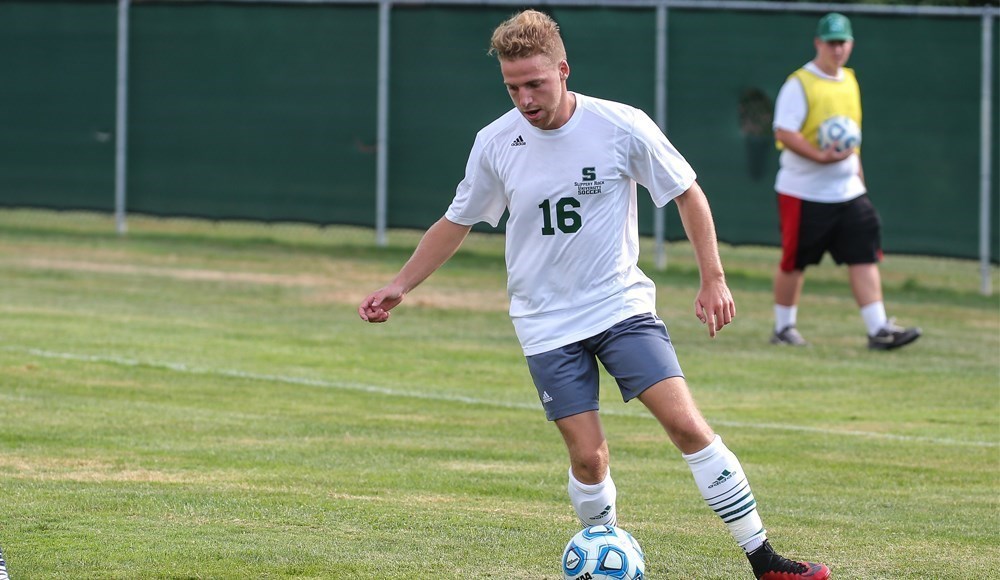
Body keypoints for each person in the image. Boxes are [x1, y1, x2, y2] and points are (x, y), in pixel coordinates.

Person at [359, 10, 829, 579]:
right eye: (513, 87)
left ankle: (765, 561)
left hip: (619, 306)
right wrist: (399, 284)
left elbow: (688, 193)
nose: (526, 99)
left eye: (535, 83)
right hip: (544, 322)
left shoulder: (620, 126)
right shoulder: (494, 143)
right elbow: (456, 221)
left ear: (563, 69)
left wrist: (714, 278)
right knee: (588, 457)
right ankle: (600, 558)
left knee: (685, 426)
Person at [770, 12, 921, 350]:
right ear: (818, 43)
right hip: (803, 190)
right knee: (794, 261)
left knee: (864, 253)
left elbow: (852, 140)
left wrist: (858, 176)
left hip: (848, 191)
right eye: (832, 42)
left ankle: (878, 330)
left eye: (843, 42)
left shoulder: (850, 80)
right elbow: (784, 132)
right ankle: (783, 328)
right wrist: (820, 156)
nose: (838, 50)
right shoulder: (800, 83)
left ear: (851, 44)